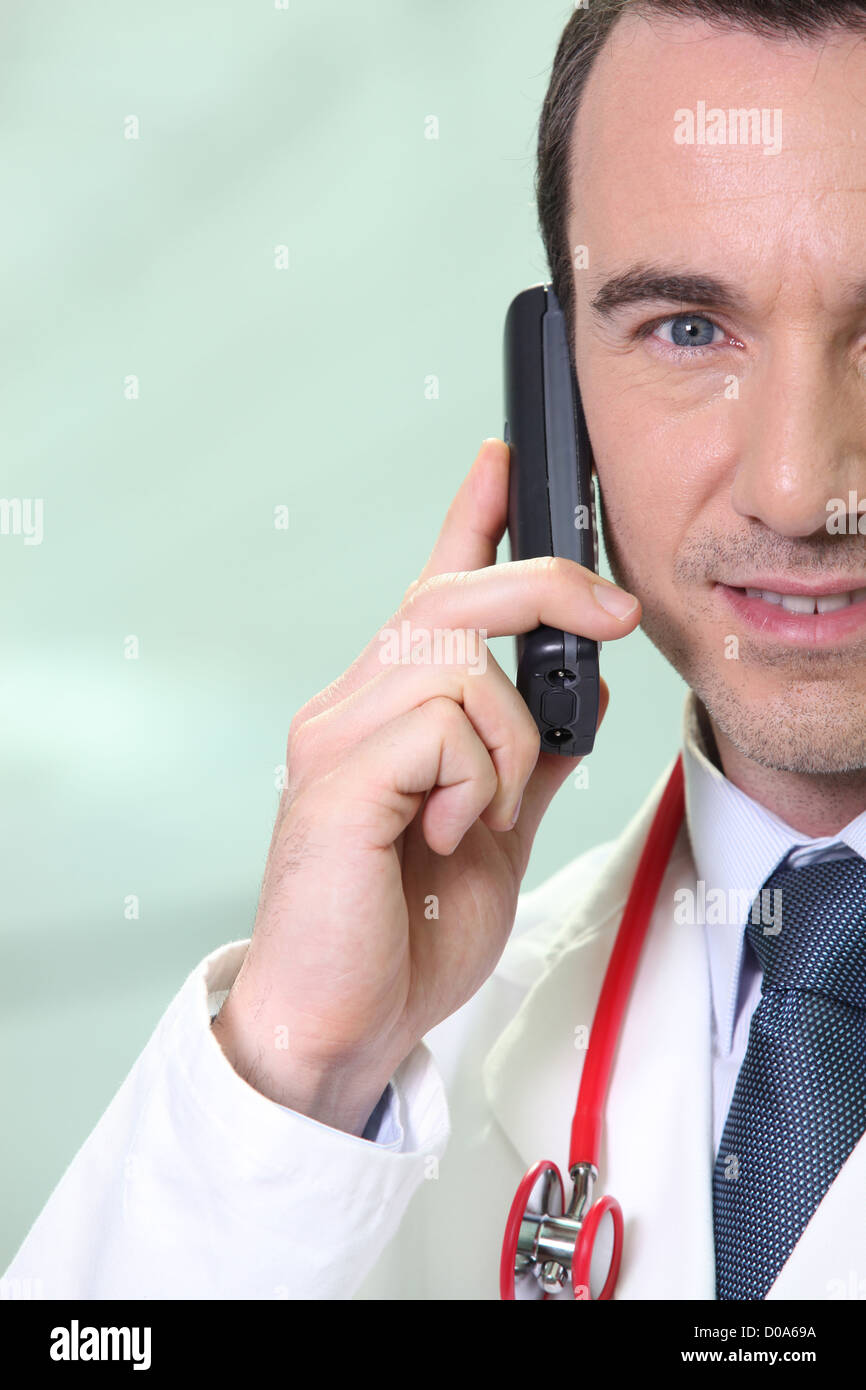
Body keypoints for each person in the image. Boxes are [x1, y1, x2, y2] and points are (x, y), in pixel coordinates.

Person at [7, 0, 866, 1301]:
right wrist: (300, 1067)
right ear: (559, 399)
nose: (799, 487)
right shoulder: (390, 1061)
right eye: (686, 330)